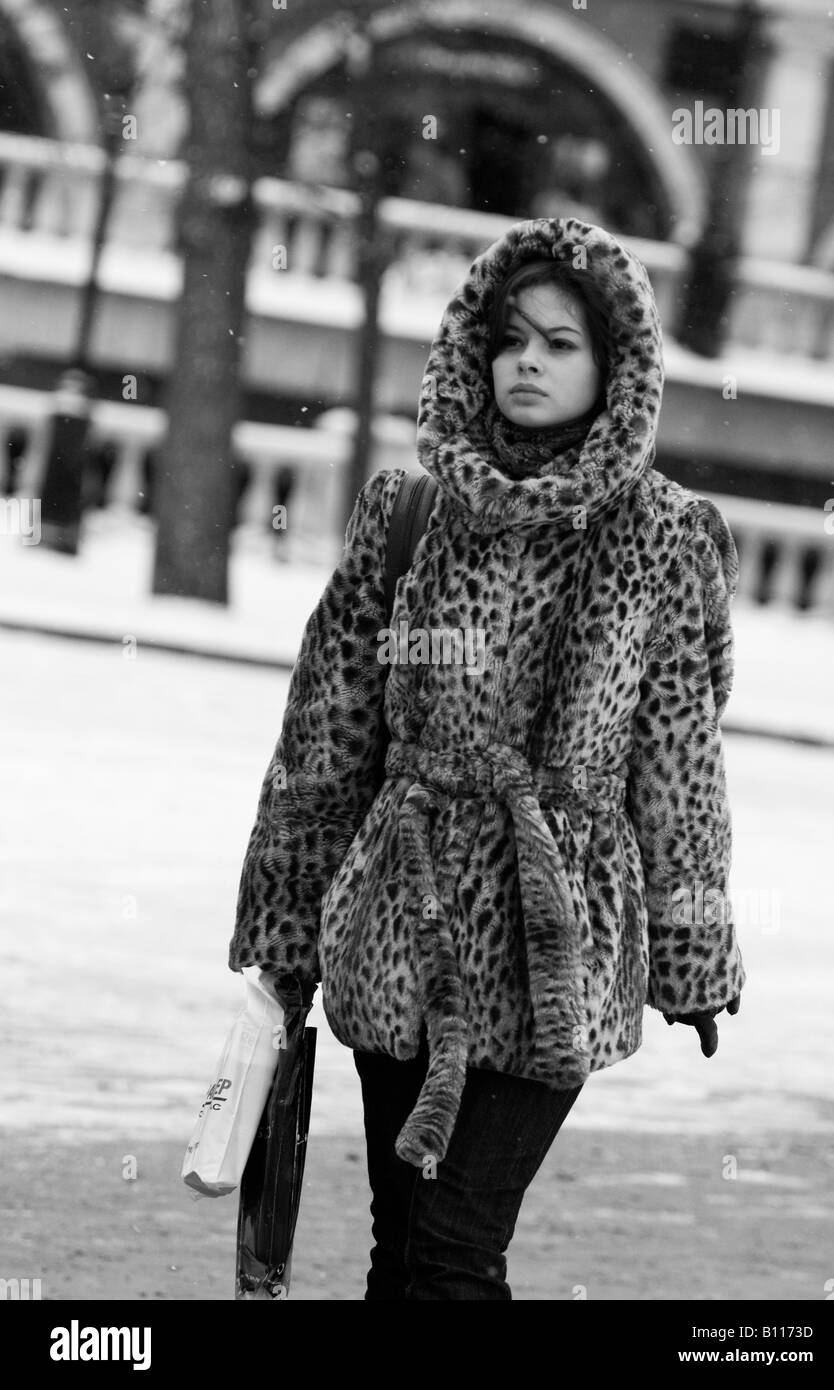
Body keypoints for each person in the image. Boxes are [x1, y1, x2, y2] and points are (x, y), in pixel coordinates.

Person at [228, 217, 746, 1300]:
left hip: (550, 946)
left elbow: (678, 766)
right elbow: (324, 743)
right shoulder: (408, 510)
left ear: (614, 368)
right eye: (511, 338)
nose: (527, 361)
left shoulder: (662, 535)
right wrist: (284, 935)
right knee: (404, 1250)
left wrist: (693, 955)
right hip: (394, 931)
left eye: (560, 344)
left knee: (454, 1252)